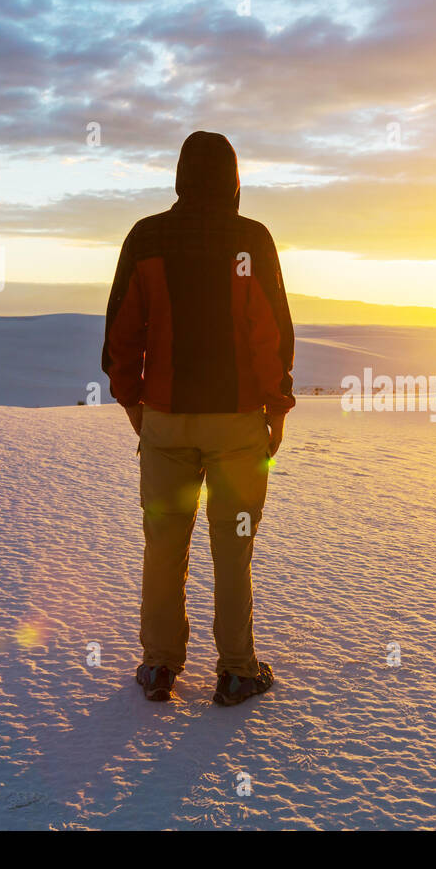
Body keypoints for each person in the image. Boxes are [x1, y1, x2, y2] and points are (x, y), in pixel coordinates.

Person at [102, 130, 295, 705]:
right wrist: (277, 407)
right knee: (233, 548)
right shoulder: (250, 239)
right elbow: (273, 334)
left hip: (165, 421)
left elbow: (120, 334)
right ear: (234, 179)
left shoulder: (146, 236)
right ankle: (237, 670)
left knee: (164, 545)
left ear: (181, 176)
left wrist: (136, 403)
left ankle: (160, 665)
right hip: (237, 425)